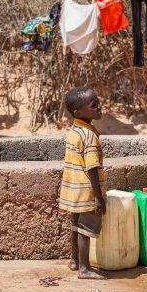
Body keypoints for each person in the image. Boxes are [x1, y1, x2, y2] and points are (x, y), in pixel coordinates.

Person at [58, 86, 107, 280]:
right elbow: (92, 167)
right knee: (86, 230)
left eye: (98, 103)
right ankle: (84, 269)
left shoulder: (74, 131)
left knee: (76, 227)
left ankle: (75, 261)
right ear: (79, 112)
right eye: (94, 105)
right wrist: (98, 197)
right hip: (87, 191)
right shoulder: (89, 136)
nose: (99, 107)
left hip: (73, 191)